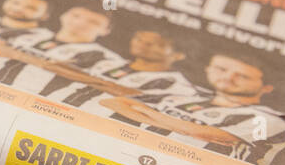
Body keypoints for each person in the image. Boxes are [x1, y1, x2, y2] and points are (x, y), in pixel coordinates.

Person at [98, 53, 285, 165]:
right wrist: (181, 126)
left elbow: (203, 133)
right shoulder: (186, 94)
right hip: (135, 159)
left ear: (267, 87)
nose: (228, 77)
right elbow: (112, 101)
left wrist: (149, 114)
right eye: (221, 69)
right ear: (208, 69)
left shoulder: (269, 119)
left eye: (242, 76)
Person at [51, 30, 195, 109]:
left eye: (156, 44)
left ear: (178, 55)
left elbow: (136, 98)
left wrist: (83, 77)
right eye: (139, 38)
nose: (143, 44)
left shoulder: (180, 86)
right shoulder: (109, 61)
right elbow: (52, 66)